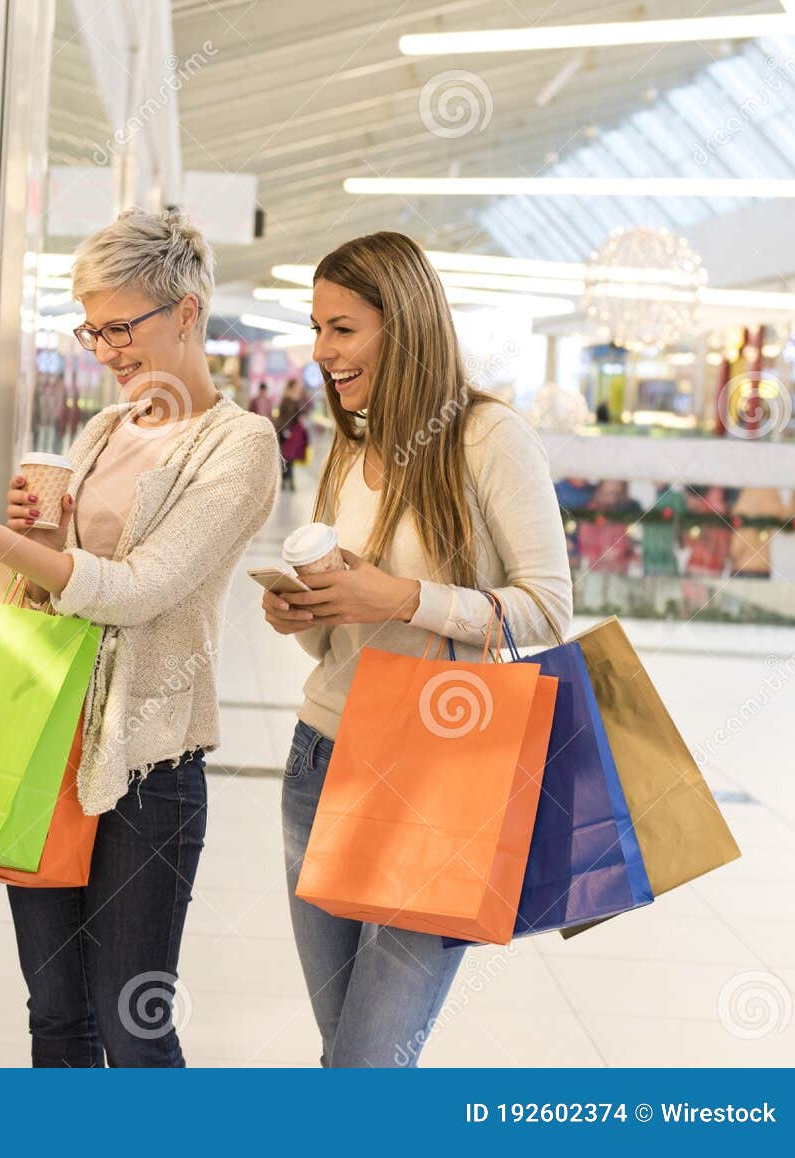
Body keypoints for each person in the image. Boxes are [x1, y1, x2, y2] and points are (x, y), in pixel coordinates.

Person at [0, 207, 278, 1066]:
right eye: (92, 330)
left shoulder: (240, 445)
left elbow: (139, 593)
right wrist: (42, 539)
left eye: (121, 327)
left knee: (131, 1024)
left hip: (145, 763)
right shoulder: (104, 429)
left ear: (186, 310)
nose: (106, 352)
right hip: (49, 739)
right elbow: (69, 587)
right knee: (56, 1011)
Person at [260, 231, 571, 1067]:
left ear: (402, 324)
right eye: (317, 328)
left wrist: (400, 597)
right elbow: (343, 636)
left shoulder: (488, 436)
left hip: (442, 764)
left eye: (342, 328)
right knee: (343, 1059)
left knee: (367, 1065)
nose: (321, 352)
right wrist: (311, 611)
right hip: (320, 758)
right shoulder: (350, 446)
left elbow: (548, 609)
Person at [275, 378, 309, 491]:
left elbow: (299, 414)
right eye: (297, 386)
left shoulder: (296, 399)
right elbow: (283, 417)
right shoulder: (286, 399)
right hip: (285, 432)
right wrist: (284, 430)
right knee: (285, 458)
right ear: (292, 387)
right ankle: (285, 481)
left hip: (293, 433)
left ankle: (290, 481)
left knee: (291, 457)